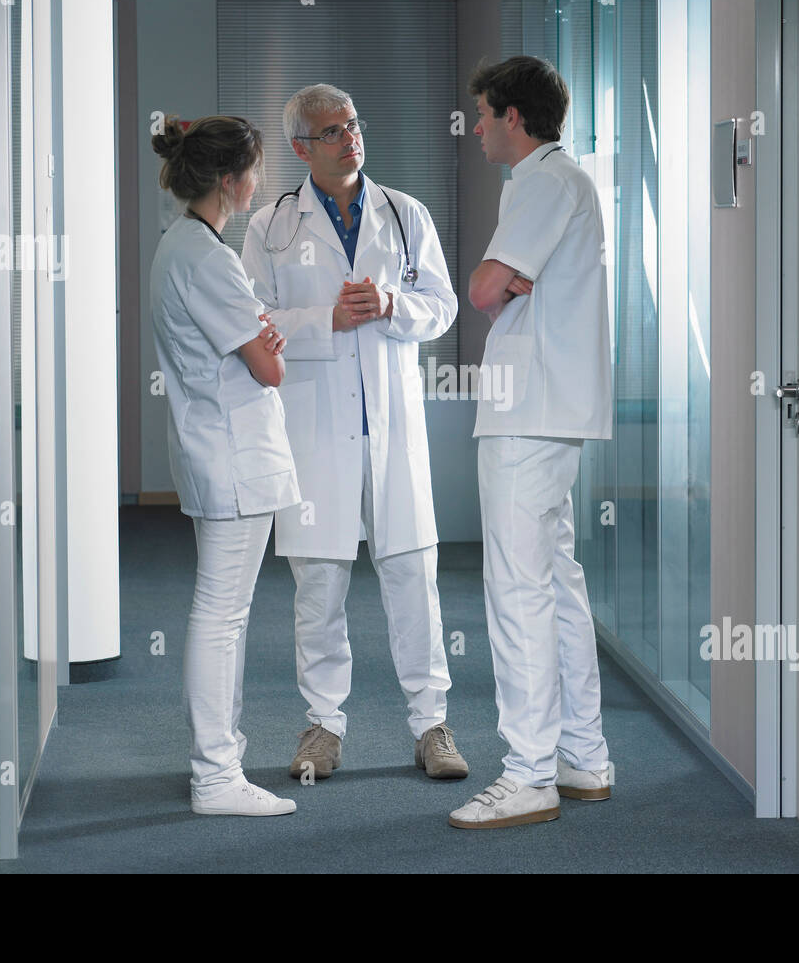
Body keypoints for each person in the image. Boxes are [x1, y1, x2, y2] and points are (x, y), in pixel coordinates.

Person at [241, 84, 468, 782]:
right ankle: (323, 727)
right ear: (302, 147)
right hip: (316, 431)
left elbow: (444, 307)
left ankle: (432, 724)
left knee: (412, 576)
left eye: (355, 123)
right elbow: (253, 321)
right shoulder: (271, 228)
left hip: (394, 430)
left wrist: (393, 303)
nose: (351, 136)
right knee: (319, 584)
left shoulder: (406, 214)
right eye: (334, 129)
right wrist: (325, 320)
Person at [449, 56, 614, 829]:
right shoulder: (550, 183)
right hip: (548, 408)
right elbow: (500, 283)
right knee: (557, 582)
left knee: (518, 590)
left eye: (484, 113)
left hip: (529, 412)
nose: (477, 125)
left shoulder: (545, 181)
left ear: (515, 116)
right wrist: (510, 280)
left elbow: (481, 289)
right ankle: (582, 755)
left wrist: (504, 280)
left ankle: (528, 773)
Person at [150, 114, 301, 817]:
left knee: (221, 614)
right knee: (220, 616)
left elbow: (254, 346)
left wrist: (259, 335)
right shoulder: (209, 259)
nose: (260, 181)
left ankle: (220, 763)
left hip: (220, 452)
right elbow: (268, 366)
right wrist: (264, 338)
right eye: (255, 169)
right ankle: (215, 775)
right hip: (234, 458)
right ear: (227, 180)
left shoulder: (181, 244)